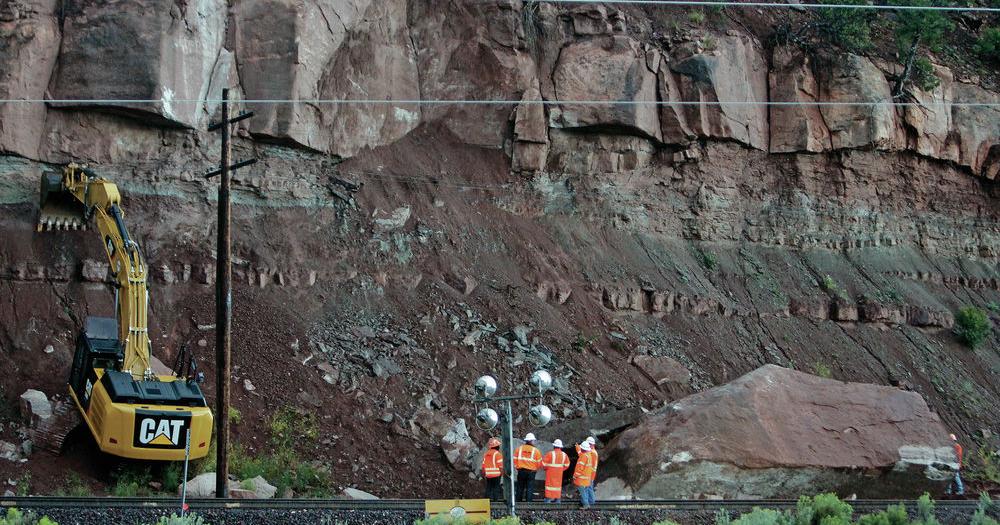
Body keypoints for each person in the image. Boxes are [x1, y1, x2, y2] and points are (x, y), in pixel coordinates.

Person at [513, 433, 543, 502]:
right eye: (533, 440)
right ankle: (528, 503)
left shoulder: (519, 449)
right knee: (530, 488)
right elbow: (539, 463)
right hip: (531, 472)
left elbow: (514, 460)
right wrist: (535, 469)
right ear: (531, 441)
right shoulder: (536, 451)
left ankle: (518, 502)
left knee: (520, 487)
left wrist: (517, 467)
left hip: (521, 471)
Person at [573, 441, 597, 509]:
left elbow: (579, 468)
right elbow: (580, 453)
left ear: (583, 449)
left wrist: (575, 476)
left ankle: (586, 505)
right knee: (585, 492)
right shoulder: (589, 455)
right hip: (587, 479)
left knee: (583, 493)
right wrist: (577, 447)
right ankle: (587, 503)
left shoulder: (583, 456)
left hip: (581, 480)